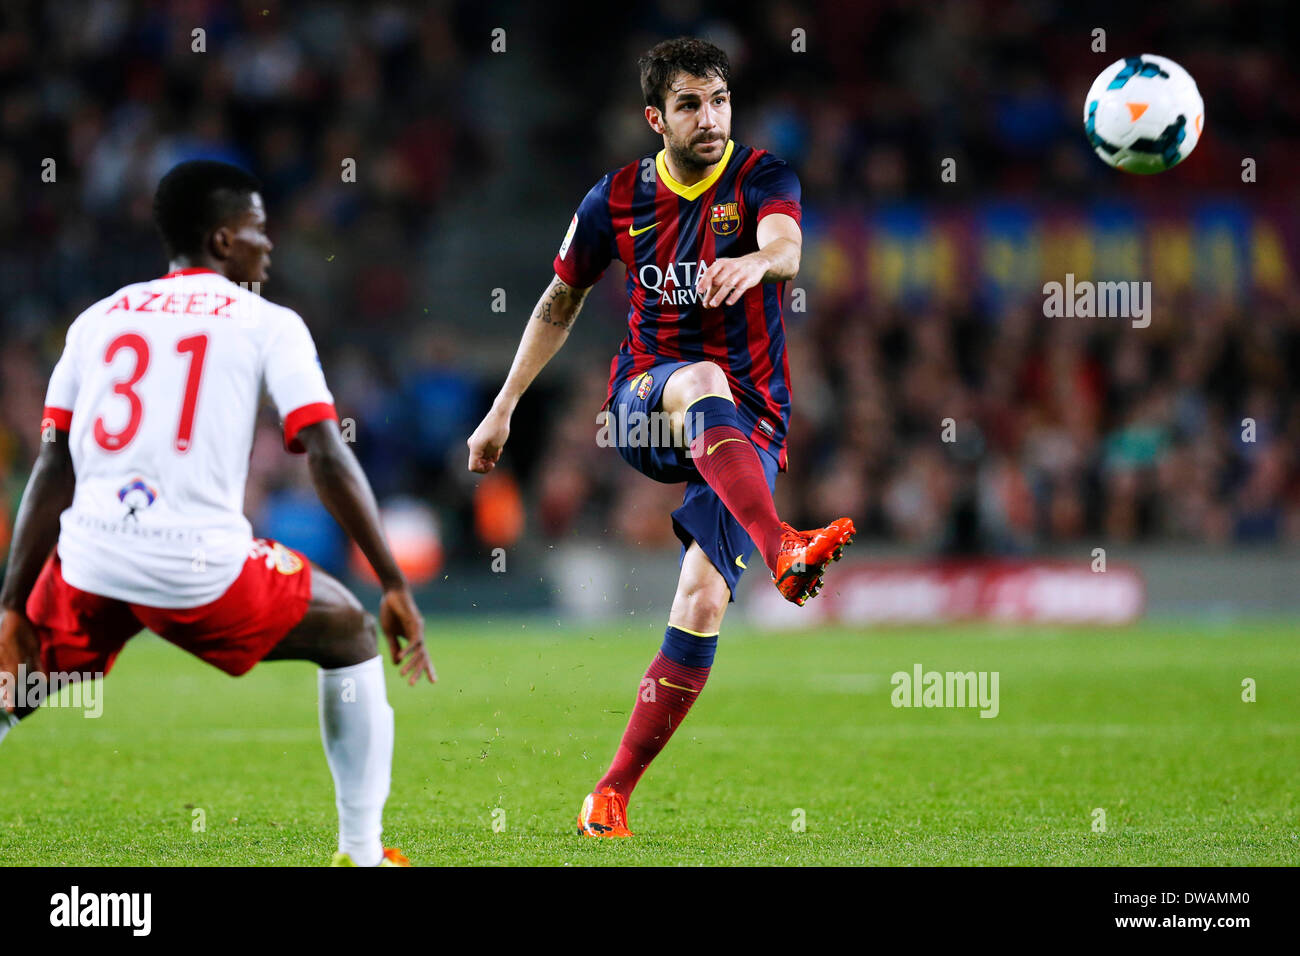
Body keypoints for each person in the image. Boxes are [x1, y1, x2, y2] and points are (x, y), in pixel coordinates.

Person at [466, 37, 855, 838]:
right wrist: (504, 406)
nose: (709, 118)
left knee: (703, 600)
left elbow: (787, 244)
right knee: (701, 379)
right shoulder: (611, 201)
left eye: (718, 100)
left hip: (752, 424)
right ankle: (782, 545)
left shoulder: (761, 178)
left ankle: (609, 795)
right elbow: (557, 303)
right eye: (688, 104)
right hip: (646, 403)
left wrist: (757, 263)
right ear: (655, 117)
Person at [0, 160, 434, 867]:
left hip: (91, 558)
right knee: (351, 634)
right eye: (260, 229)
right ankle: (361, 854)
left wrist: (12, 605)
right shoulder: (268, 322)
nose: (271, 244)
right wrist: (391, 580)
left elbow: (52, 466)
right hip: (197, 568)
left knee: (14, 681)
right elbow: (326, 452)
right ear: (224, 239)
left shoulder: (96, 319)